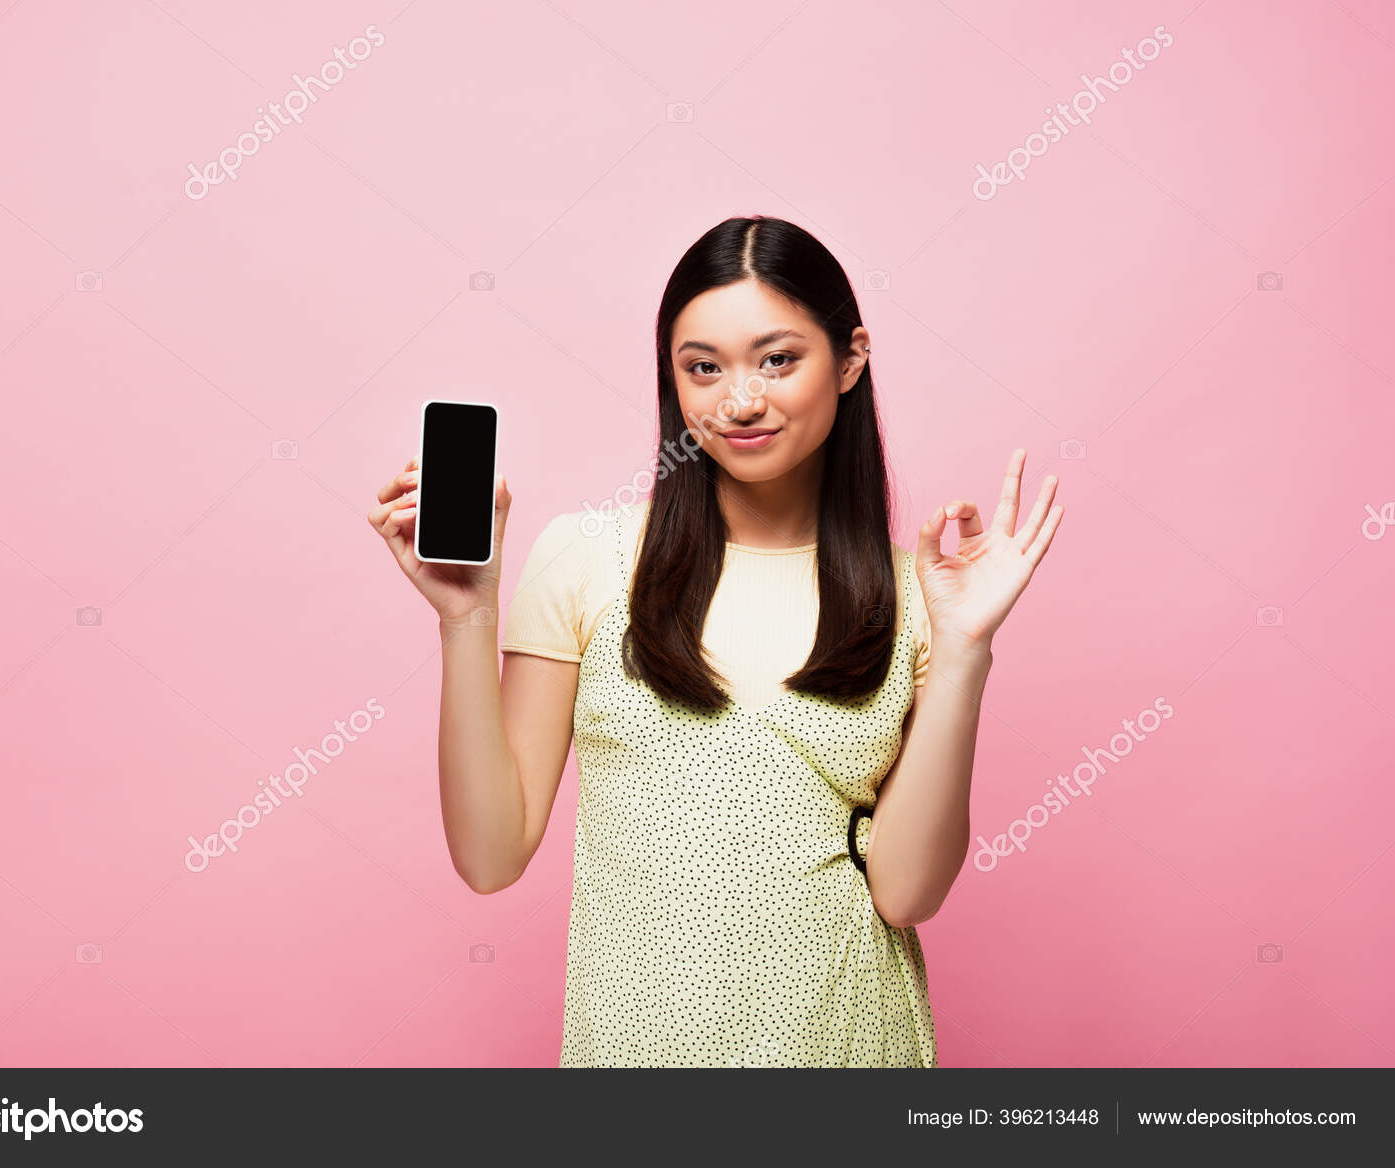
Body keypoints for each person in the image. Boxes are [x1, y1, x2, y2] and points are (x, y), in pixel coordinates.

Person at [368, 215, 1063, 1067]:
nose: (738, 400)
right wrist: (465, 617)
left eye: (777, 359)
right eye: (703, 367)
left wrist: (963, 651)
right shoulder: (587, 561)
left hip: (848, 1048)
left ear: (849, 359)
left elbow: (909, 893)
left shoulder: (922, 594)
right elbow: (489, 855)